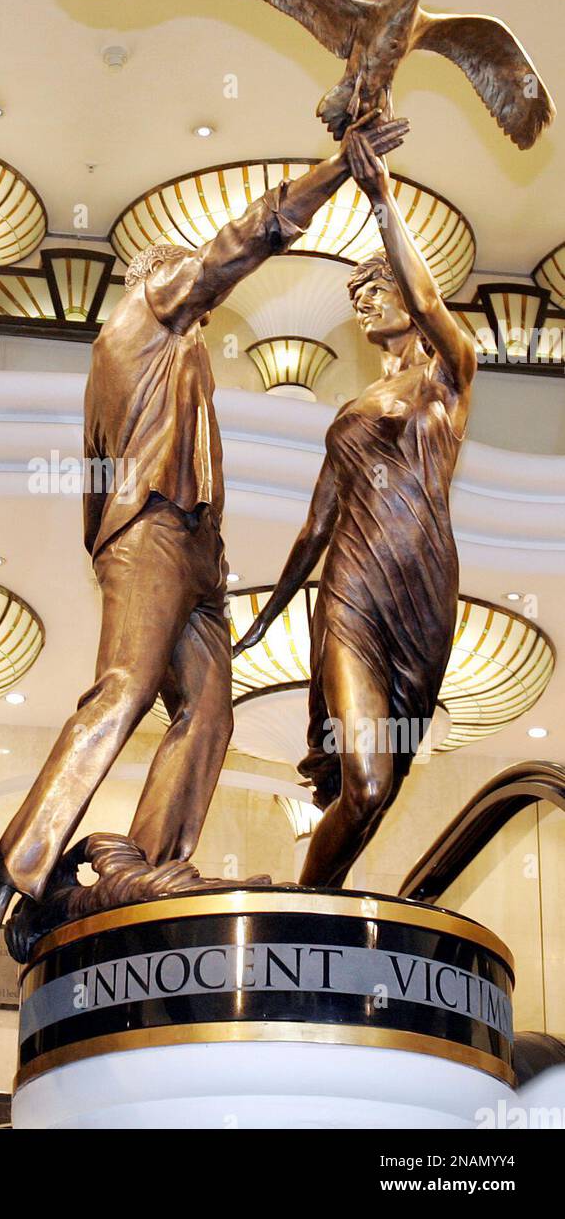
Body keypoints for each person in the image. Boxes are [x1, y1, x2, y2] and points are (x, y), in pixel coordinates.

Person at [0, 113, 409, 961]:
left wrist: (210, 557)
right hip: (149, 534)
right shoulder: (138, 325)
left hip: (194, 550)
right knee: (122, 691)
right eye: (187, 286)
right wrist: (328, 175)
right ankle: (10, 874)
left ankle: (150, 868)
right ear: (154, 284)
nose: (202, 306)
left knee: (208, 714)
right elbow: (231, 249)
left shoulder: (182, 351)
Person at [237, 124, 476, 887]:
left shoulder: (448, 372)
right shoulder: (354, 404)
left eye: (375, 288)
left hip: (421, 587)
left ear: (407, 293)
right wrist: (271, 616)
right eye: (356, 295)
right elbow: (315, 523)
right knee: (363, 778)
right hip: (348, 594)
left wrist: (379, 200)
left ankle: (317, 909)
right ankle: (311, 902)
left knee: (381, 785)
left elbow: (434, 296)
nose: (364, 300)